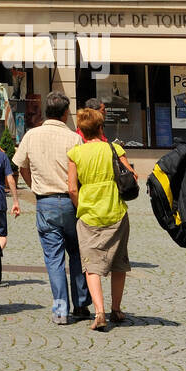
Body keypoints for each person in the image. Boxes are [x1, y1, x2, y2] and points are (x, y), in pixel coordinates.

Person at [13, 91, 90, 325]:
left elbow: (18, 164)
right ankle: (81, 304)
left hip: (45, 201)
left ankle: (60, 310)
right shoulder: (74, 139)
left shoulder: (31, 135)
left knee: (53, 259)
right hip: (71, 202)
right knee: (77, 254)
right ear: (66, 113)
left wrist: (32, 183)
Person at [68, 108, 137, 330]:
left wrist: (82, 207)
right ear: (100, 128)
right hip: (115, 210)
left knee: (92, 266)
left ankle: (99, 312)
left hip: (89, 214)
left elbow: (71, 189)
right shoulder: (114, 149)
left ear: (81, 131)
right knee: (119, 262)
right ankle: (116, 309)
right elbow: (132, 176)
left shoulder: (75, 154)